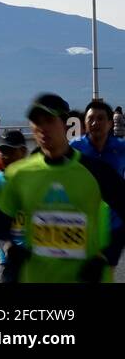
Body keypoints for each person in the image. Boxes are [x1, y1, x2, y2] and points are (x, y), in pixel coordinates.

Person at [0, 94, 125, 283]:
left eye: (49, 120)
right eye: (36, 121)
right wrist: (13, 249)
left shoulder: (96, 171)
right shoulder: (19, 173)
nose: (43, 127)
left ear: (65, 123)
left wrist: (105, 255)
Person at [70, 100, 125, 264]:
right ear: (85, 123)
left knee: (106, 271)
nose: (95, 123)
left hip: (114, 226)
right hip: (82, 226)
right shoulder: (74, 148)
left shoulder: (121, 148)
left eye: (101, 118)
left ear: (110, 123)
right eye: (91, 119)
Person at [0, 130, 29, 283]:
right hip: (6, 258)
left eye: (10, 151)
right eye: (1, 152)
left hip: (36, 254)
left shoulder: (37, 178)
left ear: (23, 151)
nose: (5, 157)